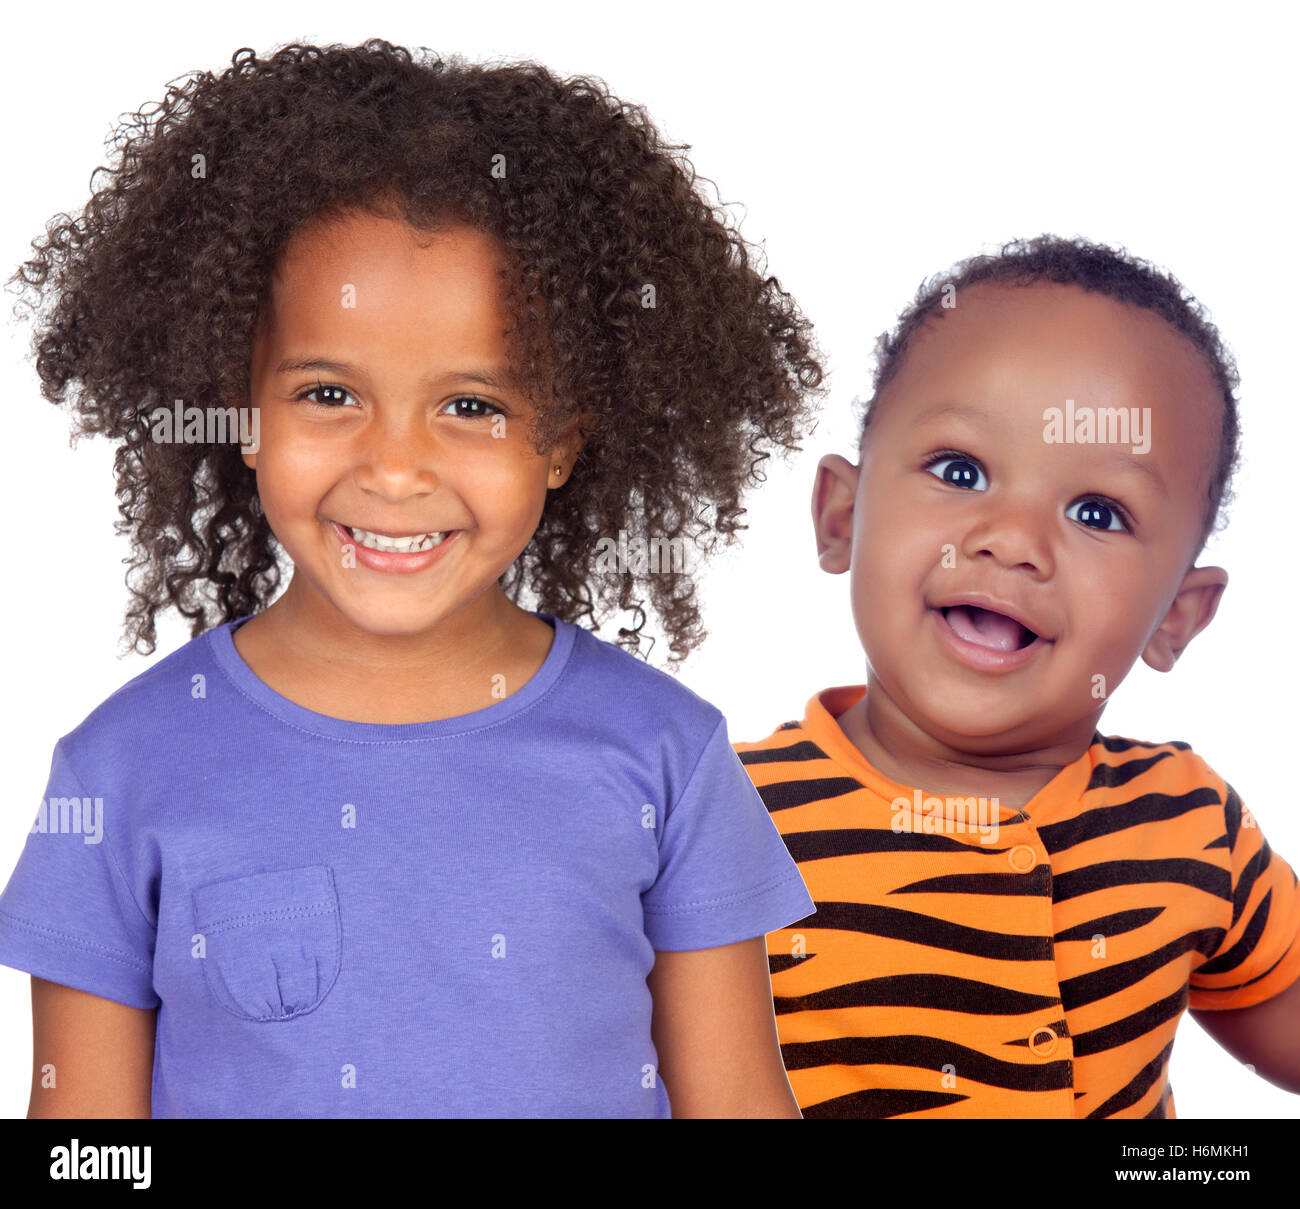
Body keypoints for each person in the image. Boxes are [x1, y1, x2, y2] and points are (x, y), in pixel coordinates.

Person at [0, 39, 826, 1118]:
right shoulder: (120, 770)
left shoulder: (667, 757)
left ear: (565, 440)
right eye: (329, 395)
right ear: (240, 409)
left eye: (472, 406)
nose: (394, 467)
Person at [735, 235, 1300, 1117]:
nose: (1013, 540)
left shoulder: (1194, 825)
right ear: (842, 517)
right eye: (959, 471)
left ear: (1178, 616)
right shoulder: (720, 819)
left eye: (1097, 512)